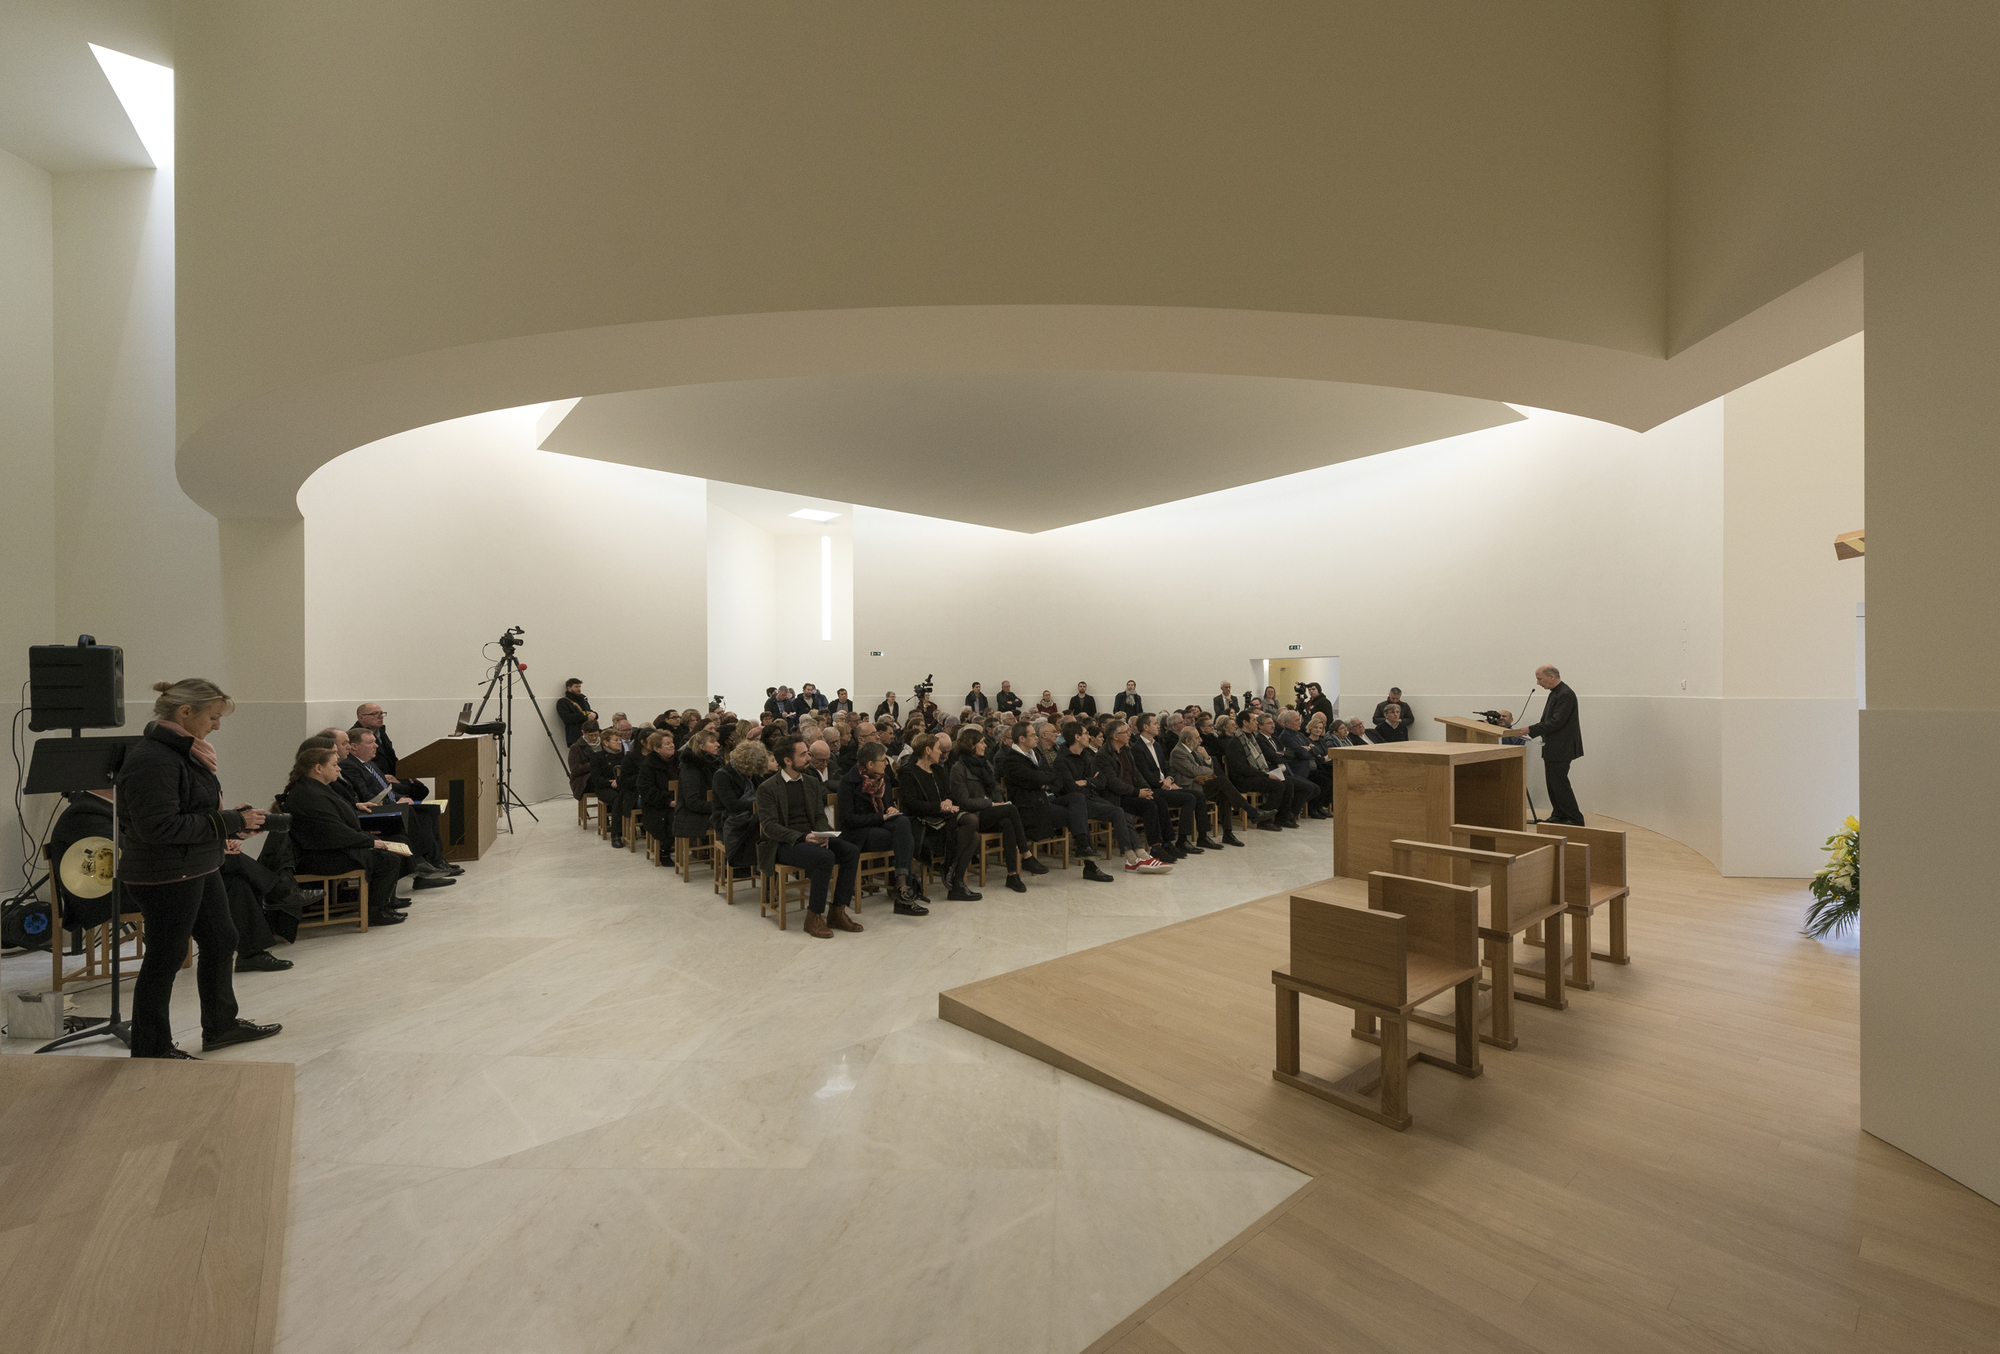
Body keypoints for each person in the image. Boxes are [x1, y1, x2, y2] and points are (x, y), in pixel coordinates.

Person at [115, 679, 283, 1059]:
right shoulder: (153, 759)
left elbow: (193, 812)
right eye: (213, 717)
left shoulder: (186, 752)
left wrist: (233, 824)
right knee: (166, 957)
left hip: (196, 865)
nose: (217, 726)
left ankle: (221, 1027)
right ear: (185, 712)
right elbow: (157, 827)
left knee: (222, 939)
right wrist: (226, 821)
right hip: (164, 874)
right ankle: (151, 1046)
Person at [286, 740, 416, 928]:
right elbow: (334, 833)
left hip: (330, 848)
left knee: (391, 847)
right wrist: (370, 842)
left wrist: (368, 838)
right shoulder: (309, 794)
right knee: (387, 859)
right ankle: (375, 912)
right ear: (318, 768)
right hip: (320, 856)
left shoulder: (316, 789)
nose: (339, 769)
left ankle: (383, 904)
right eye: (334, 765)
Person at [755, 736, 863, 939]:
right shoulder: (768, 787)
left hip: (812, 838)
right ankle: (813, 917)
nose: (809, 758)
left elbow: (819, 816)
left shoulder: (811, 782)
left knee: (851, 851)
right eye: (803, 754)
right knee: (825, 857)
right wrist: (804, 837)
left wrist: (823, 834)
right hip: (785, 843)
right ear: (787, 760)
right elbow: (770, 827)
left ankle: (837, 911)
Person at [342, 728, 458, 876]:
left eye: (375, 742)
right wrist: (395, 804)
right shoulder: (349, 765)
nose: (376, 746)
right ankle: (421, 863)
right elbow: (366, 795)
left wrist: (399, 798)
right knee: (415, 814)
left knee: (430, 811)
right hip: (374, 812)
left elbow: (387, 789)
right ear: (354, 746)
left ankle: (437, 860)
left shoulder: (370, 763)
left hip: (389, 805)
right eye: (370, 742)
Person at [1055, 722, 1167, 873]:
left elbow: (1101, 782)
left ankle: (1139, 855)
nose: (1089, 736)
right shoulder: (1062, 760)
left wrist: (1086, 782)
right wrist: (1091, 781)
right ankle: (1133, 858)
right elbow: (1072, 788)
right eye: (1086, 733)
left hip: (1093, 796)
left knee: (1123, 813)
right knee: (1119, 812)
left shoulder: (1086, 756)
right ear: (1077, 737)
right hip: (1078, 803)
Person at [836, 743, 926, 912]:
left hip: (881, 826)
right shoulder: (848, 783)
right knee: (905, 838)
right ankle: (904, 887)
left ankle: (901, 886)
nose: (886, 763)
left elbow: (887, 805)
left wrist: (891, 810)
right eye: (883, 760)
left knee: (903, 822)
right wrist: (881, 816)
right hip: (859, 834)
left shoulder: (883, 779)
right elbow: (848, 820)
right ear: (870, 764)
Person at [897, 732, 984, 900]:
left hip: (943, 817)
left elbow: (949, 794)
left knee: (973, 829)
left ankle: (953, 874)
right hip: (922, 822)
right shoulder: (908, 772)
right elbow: (912, 804)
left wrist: (948, 802)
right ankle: (955, 880)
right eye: (938, 749)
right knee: (972, 829)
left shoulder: (937, 769)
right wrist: (940, 806)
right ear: (927, 750)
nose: (942, 753)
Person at [947, 725, 1034, 892]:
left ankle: (1013, 875)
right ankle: (1026, 854)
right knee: (1012, 810)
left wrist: (999, 803)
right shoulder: (958, 769)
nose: (985, 745)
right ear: (971, 745)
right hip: (973, 816)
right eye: (981, 742)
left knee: (1008, 822)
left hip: (991, 812)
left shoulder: (984, 763)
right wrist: (992, 804)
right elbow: (964, 802)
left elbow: (995, 789)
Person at [1134, 713, 1224, 851]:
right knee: (1189, 799)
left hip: (1167, 784)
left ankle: (1203, 836)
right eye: (1154, 724)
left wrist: (1170, 779)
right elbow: (1144, 773)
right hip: (1154, 788)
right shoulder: (1137, 748)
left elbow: (1166, 768)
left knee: (1199, 796)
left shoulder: (1157, 745)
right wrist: (1164, 784)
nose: (1158, 726)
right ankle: (1182, 840)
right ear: (1146, 727)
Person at [1518, 664, 1584, 825]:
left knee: (1559, 784)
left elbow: (1556, 722)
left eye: (1540, 679)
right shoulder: (1556, 693)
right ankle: (1559, 815)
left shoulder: (1565, 694)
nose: (1538, 683)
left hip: (1562, 747)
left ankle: (1575, 819)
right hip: (1553, 746)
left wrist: (1530, 729)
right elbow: (1548, 720)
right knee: (1553, 783)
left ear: (1552, 676)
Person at [1169, 727, 1249, 846]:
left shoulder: (1194, 750)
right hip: (1188, 787)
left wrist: (1206, 757)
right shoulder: (1178, 752)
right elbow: (1194, 771)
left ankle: (1227, 833)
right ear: (1187, 740)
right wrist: (1206, 771)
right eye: (1197, 738)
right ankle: (1248, 809)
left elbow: (1206, 768)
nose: (1201, 740)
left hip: (1200, 784)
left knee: (1224, 794)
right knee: (1222, 781)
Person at [1222, 714, 1300, 829]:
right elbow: (1241, 768)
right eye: (1254, 720)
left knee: (1288, 784)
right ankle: (1264, 821)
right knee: (1278, 786)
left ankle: (1282, 819)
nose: (1256, 723)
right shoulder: (1236, 742)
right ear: (1245, 722)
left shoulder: (1252, 738)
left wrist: (1266, 774)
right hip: (1243, 779)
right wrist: (1266, 775)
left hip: (1255, 775)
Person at [711, 739, 770, 881]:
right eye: (752, 768)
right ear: (744, 762)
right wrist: (758, 806)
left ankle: (767, 869)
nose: (753, 772)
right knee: (762, 832)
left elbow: (763, 794)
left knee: (769, 828)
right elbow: (732, 805)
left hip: (752, 817)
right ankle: (759, 865)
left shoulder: (751, 773)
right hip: (727, 819)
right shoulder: (722, 775)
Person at [353, 702, 427, 800]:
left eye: (382, 713)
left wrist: (405, 772)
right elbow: (360, 763)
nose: (380, 716)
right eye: (375, 714)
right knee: (411, 791)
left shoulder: (380, 732)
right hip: (377, 778)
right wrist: (382, 777)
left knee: (420, 788)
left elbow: (392, 756)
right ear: (361, 717)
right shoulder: (356, 736)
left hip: (391, 774)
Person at [1274, 711, 1328, 818]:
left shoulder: (1300, 734)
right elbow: (1302, 753)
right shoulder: (1286, 736)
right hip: (1297, 769)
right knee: (1316, 786)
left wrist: (1309, 748)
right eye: (1296, 720)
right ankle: (1291, 813)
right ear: (1288, 723)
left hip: (1306, 769)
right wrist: (1309, 749)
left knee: (1323, 782)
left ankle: (1297, 811)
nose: (1300, 722)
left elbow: (1316, 750)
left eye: (1299, 720)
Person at [635, 730, 678, 864]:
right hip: (657, 805)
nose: (672, 746)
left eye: (672, 742)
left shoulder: (679, 760)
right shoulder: (648, 765)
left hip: (678, 800)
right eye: (667, 744)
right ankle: (664, 850)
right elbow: (647, 791)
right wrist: (668, 802)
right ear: (657, 748)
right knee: (670, 818)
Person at [568, 720, 603, 799]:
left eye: (596, 735)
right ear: (583, 732)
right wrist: (593, 764)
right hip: (583, 780)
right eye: (591, 735)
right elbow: (575, 769)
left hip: (602, 776)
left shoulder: (604, 743)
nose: (594, 738)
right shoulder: (576, 747)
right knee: (604, 783)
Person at [557, 678, 594, 746]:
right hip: (575, 735)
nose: (579, 688)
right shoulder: (563, 702)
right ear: (569, 688)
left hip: (588, 733)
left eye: (579, 686)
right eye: (576, 687)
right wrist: (586, 715)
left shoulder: (583, 699)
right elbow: (567, 718)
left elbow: (588, 711)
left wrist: (595, 715)